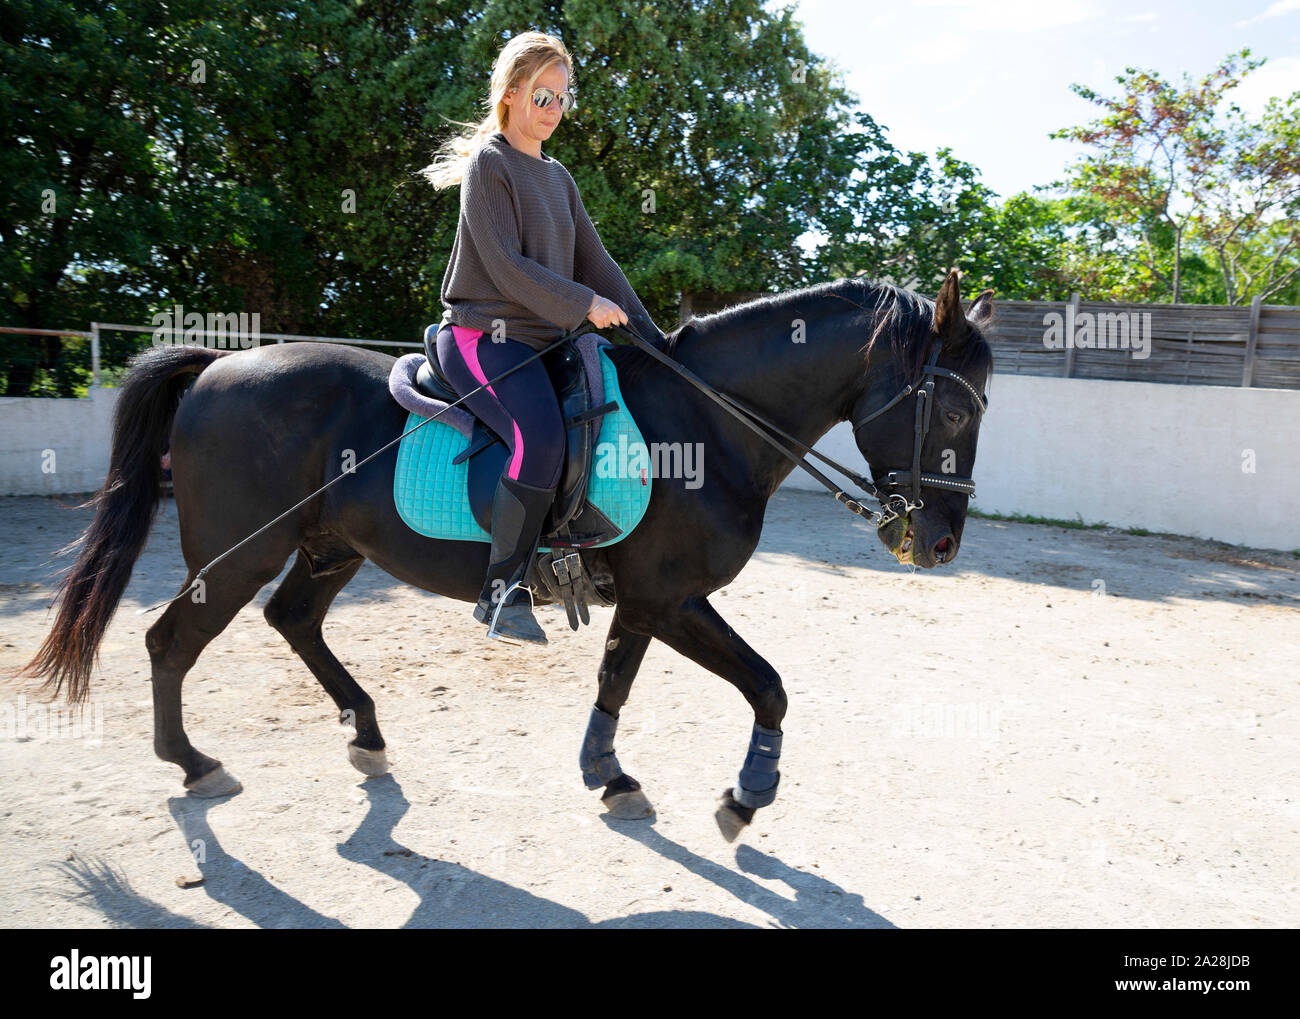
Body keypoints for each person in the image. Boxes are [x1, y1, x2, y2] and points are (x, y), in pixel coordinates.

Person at [420, 31, 666, 646]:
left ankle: (571, 555)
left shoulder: (559, 179)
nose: (553, 108)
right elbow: (504, 267)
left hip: (543, 344)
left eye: (562, 97)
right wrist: (585, 305)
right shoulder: (490, 165)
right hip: (484, 337)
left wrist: (655, 339)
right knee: (540, 434)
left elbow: (599, 265)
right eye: (542, 95)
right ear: (509, 96)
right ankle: (501, 592)